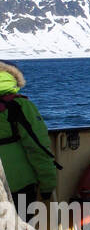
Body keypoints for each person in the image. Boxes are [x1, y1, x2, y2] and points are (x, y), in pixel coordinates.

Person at [0, 62, 57, 202]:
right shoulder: (21, 106)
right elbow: (38, 147)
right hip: (17, 186)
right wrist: (47, 184)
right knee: (18, 224)